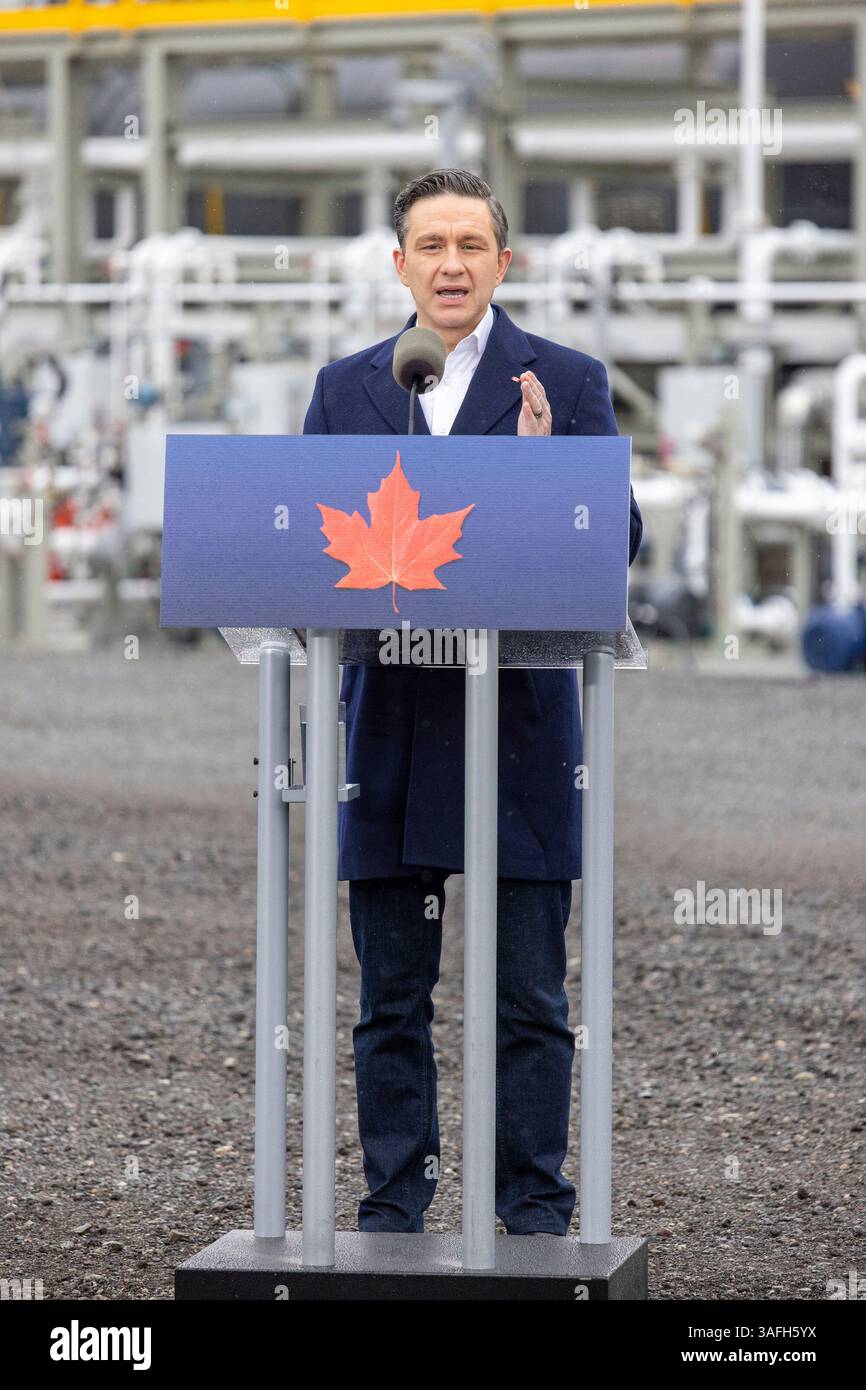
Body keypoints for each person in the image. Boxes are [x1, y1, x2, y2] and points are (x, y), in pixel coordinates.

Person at [303, 168, 642, 1236]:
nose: (450, 264)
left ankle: (533, 1211)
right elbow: (302, 550)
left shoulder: (568, 383)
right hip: (390, 726)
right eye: (429, 245)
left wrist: (545, 481)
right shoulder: (347, 387)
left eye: (470, 244)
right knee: (387, 999)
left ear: (504, 260)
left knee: (529, 1000)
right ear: (397, 264)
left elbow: (618, 542)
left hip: (520, 733)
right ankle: (392, 1205)